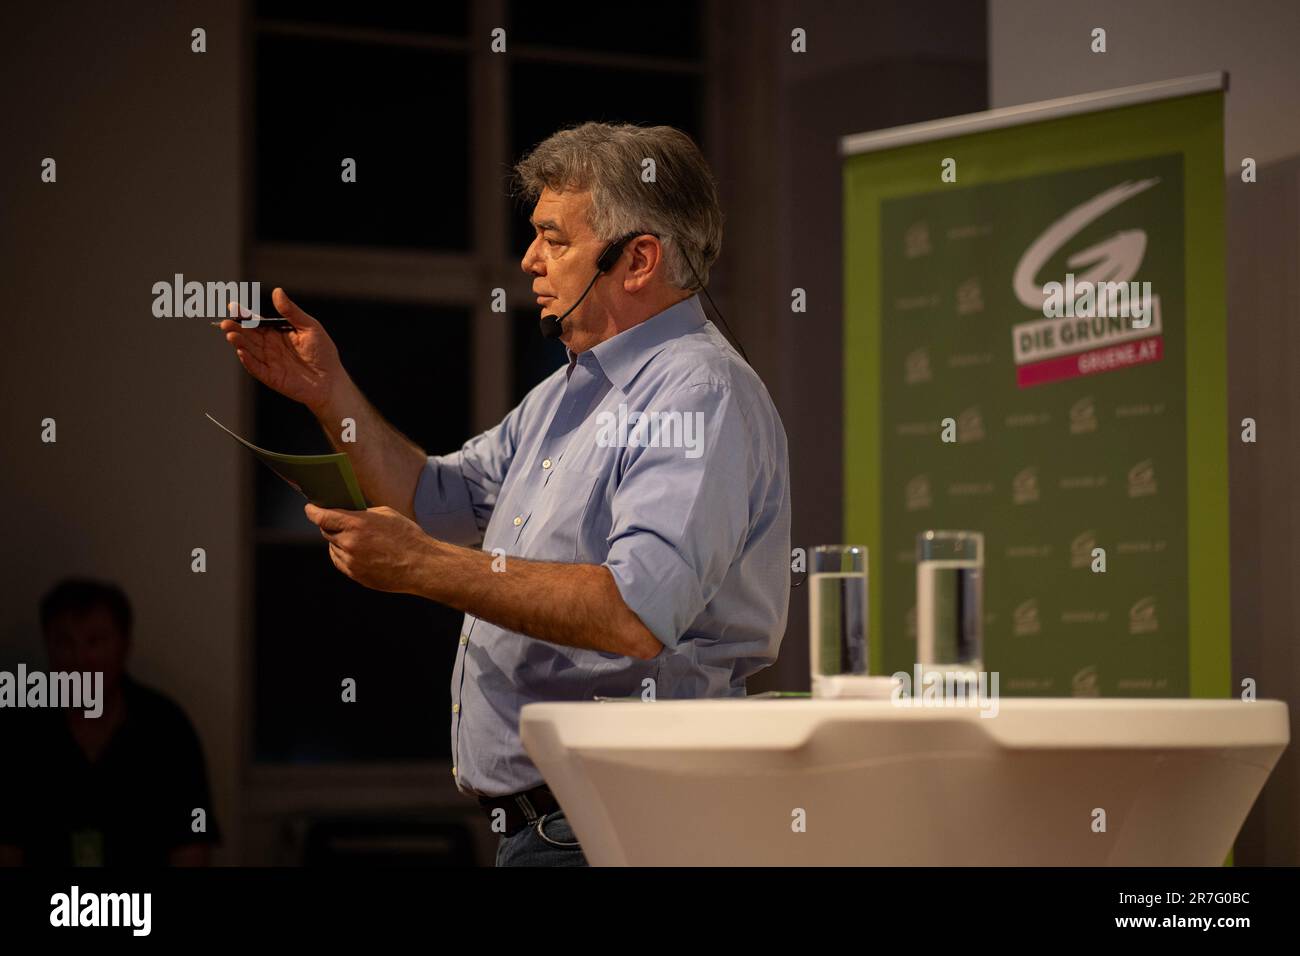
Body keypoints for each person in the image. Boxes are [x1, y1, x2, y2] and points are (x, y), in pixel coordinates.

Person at [218, 122, 791, 866]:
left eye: (553, 239)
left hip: (628, 827)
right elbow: (432, 499)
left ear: (638, 259)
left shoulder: (698, 393)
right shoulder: (565, 396)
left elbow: (634, 612)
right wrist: (328, 393)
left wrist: (422, 568)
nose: (528, 261)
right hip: (553, 828)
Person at [0, 578, 221, 866]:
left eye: (96, 642)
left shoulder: (166, 728)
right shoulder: (19, 732)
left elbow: (191, 850)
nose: (80, 659)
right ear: (48, 647)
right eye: (65, 643)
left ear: (125, 645)